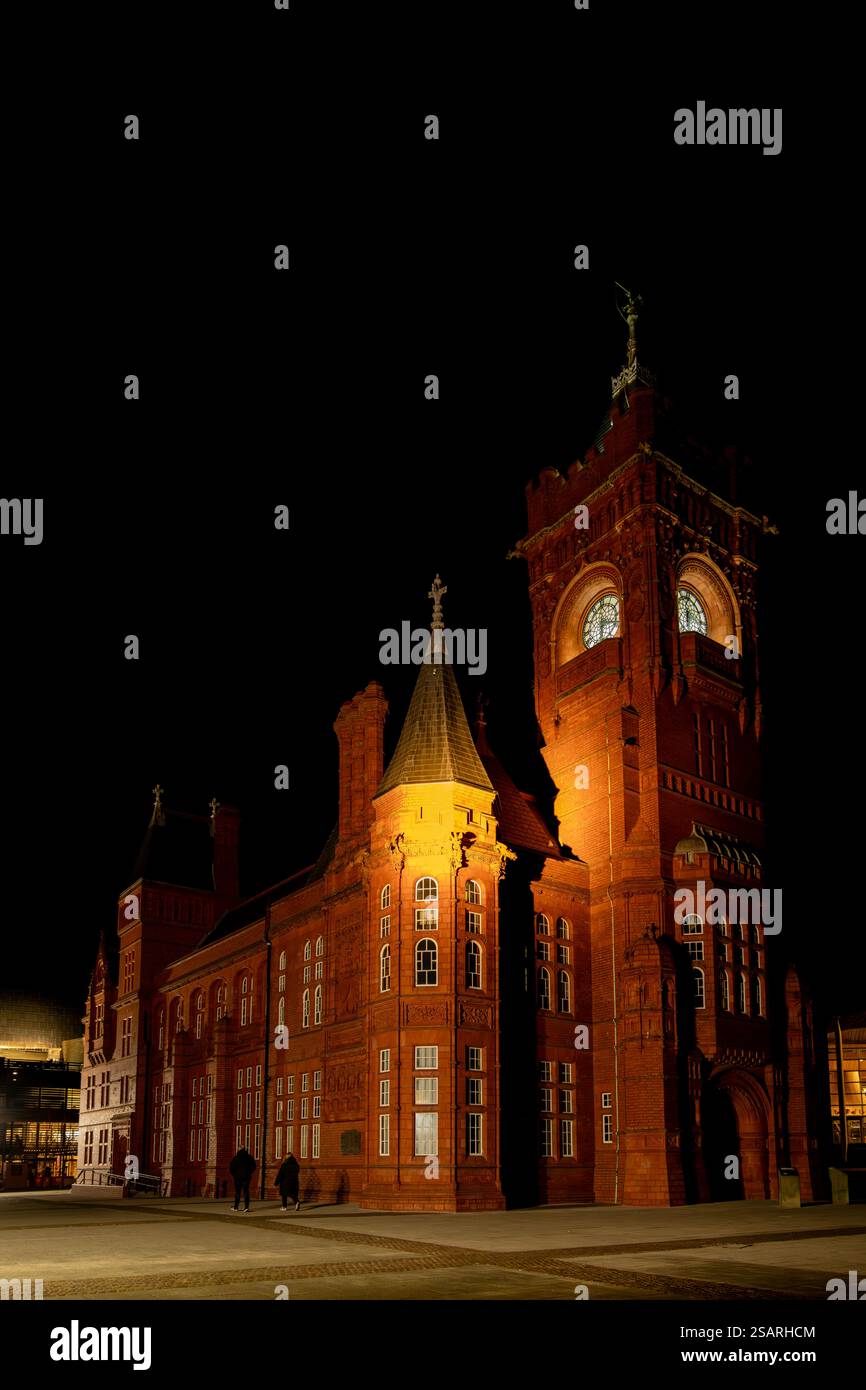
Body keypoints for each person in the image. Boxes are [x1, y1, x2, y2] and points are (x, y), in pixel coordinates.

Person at [229, 1146, 257, 1212]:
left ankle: (236, 1207)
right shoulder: (249, 1157)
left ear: (238, 1150)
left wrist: (235, 1175)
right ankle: (246, 1207)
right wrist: (249, 1172)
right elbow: (254, 1166)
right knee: (246, 1192)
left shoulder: (236, 1158)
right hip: (246, 1177)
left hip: (237, 1178)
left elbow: (231, 1168)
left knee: (237, 1192)